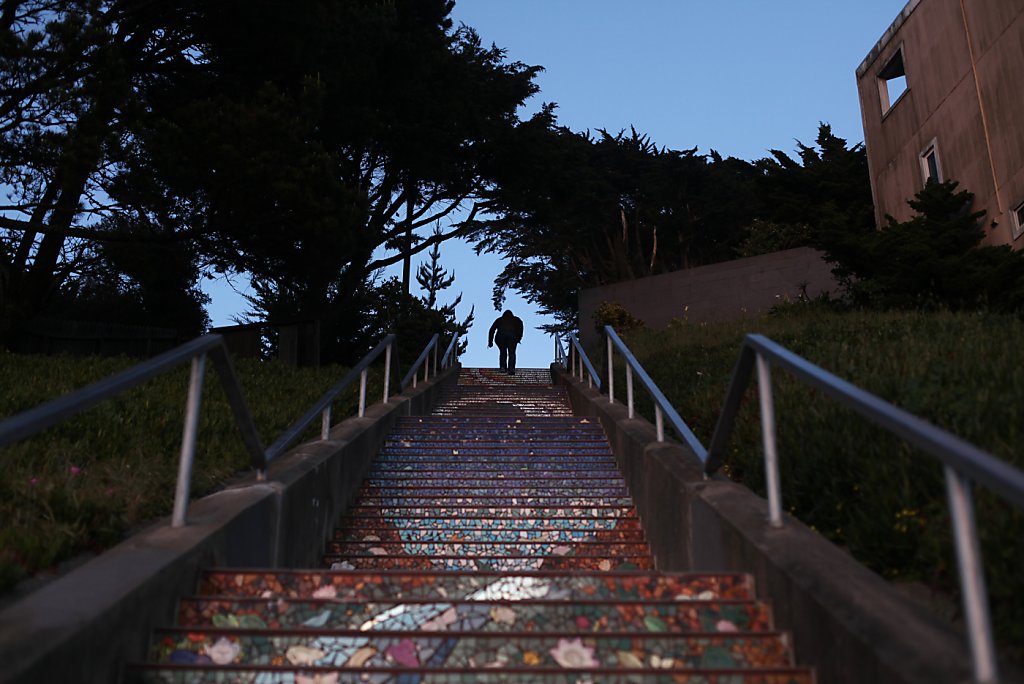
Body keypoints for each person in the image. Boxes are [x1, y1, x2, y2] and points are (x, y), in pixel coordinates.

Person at [488, 310, 524, 374]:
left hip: (500, 337)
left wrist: (490, 342)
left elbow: (492, 330)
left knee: (503, 352)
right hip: (512, 337)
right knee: (512, 352)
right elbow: (521, 328)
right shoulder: (516, 320)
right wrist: (518, 338)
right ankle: (511, 369)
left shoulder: (499, 320)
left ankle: (503, 368)